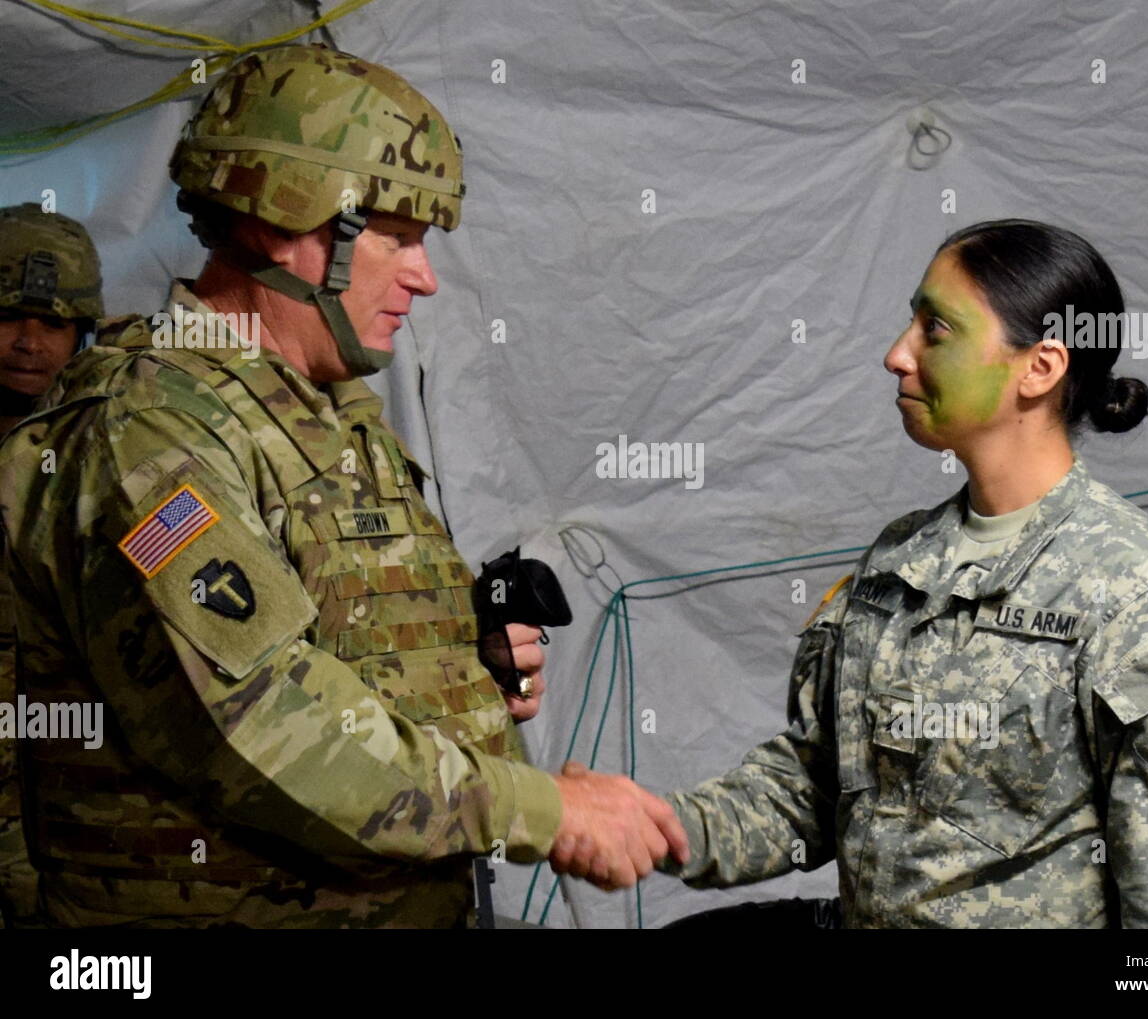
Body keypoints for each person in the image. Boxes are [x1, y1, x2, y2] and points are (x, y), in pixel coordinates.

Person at [0, 44, 685, 929]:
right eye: (398, 236)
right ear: (288, 221)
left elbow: (333, 633)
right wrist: (540, 810)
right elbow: (260, 718)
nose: (424, 276)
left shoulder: (324, 409)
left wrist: (456, 666)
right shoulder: (147, 431)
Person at [662, 219, 1148, 928]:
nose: (897, 354)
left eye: (936, 329)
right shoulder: (898, 563)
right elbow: (812, 786)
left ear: (1041, 367)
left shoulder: (1142, 597)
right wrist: (655, 826)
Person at [0, 203, 108, 928]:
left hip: (69, 775)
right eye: (8, 316)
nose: (28, 343)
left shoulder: (118, 444)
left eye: (55, 323)